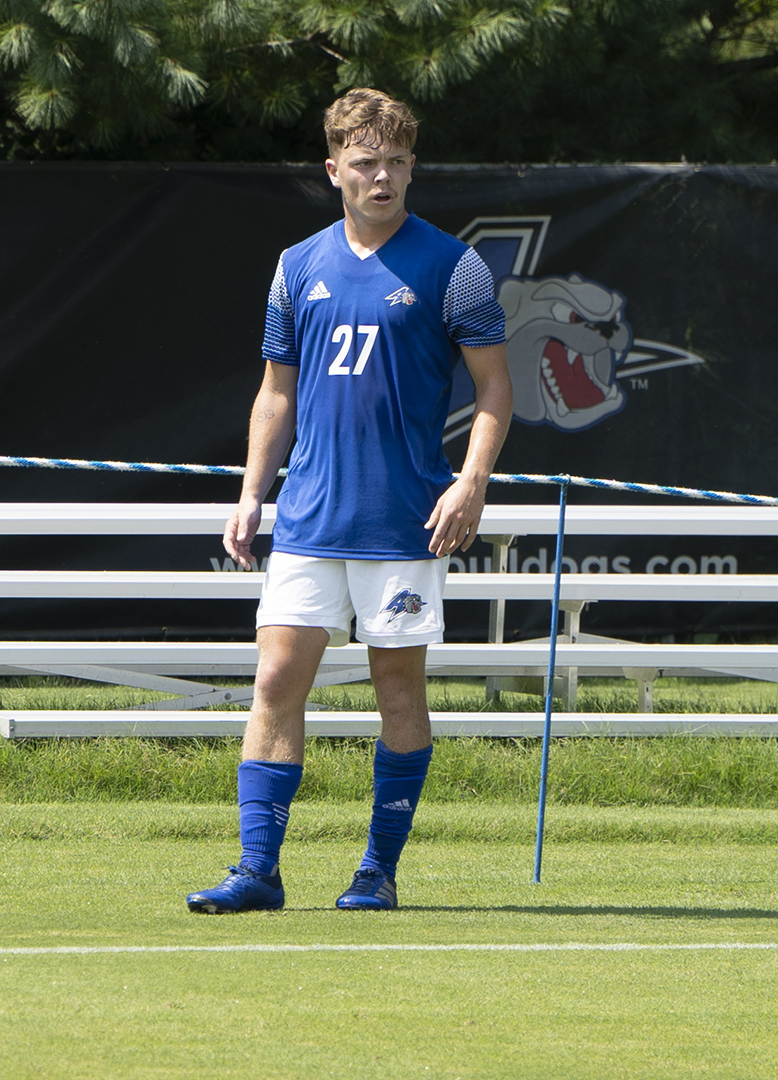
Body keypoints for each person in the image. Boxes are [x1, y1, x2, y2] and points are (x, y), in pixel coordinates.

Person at [187, 88, 513, 914]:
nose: (383, 178)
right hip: (308, 519)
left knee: (398, 693)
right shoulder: (298, 266)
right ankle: (257, 871)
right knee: (274, 683)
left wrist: (469, 483)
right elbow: (274, 396)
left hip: (405, 522)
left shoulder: (455, 266)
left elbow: (495, 393)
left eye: (398, 162)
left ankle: (377, 871)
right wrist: (251, 492)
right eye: (366, 163)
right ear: (333, 169)